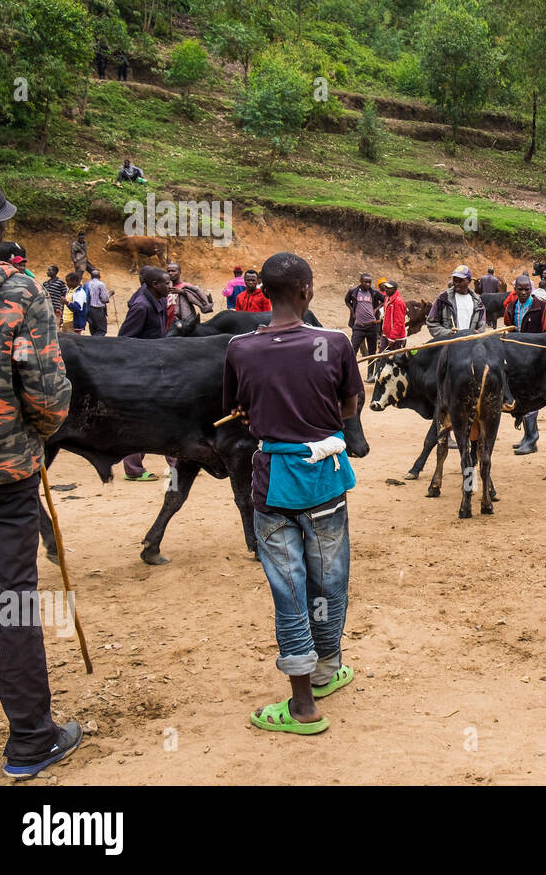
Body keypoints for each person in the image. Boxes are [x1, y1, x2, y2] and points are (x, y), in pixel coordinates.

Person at [223, 252, 363, 738]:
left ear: (264, 292)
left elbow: (238, 408)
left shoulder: (240, 348)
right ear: (306, 290)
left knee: (289, 590)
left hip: (274, 485)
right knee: (329, 582)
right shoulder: (336, 342)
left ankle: (306, 698)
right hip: (325, 480)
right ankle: (323, 676)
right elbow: (349, 406)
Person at [0, 175, 84, 779]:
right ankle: (30, 742)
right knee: (10, 605)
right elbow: (46, 395)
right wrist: (38, 431)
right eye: (0, 223)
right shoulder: (17, 293)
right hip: (1, 481)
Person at [119, 266, 171, 481]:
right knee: (142, 417)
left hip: (157, 364)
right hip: (143, 370)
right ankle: (133, 468)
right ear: (154, 285)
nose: (170, 286)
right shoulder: (141, 306)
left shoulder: (156, 298)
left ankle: (179, 462)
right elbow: (125, 339)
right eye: (166, 283)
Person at [505, 274, 546, 454]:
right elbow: (507, 329)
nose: (523, 292)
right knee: (520, 397)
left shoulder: (541, 307)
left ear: (531, 289)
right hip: (516, 359)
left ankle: (532, 438)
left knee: (530, 397)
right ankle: (527, 436)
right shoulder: (511, 308)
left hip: (536, 360)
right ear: (515, 289)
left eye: (526, 289)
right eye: (519, 289)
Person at [426, 265, 484, 337]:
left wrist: (477, 333)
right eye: (455, 280)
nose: (456, 283)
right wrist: (447, 333)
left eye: (460, 280)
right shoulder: (443, 299)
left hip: (471, 345)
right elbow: (432, 323)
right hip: (450, 345)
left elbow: (482, 325)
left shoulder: (478, 302)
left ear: (469, 281)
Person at [344, 273, 385, 359]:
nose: (368, 284)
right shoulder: (353, 292)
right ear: (361, 281)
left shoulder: (374, 293)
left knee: (372, 353)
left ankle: (370, 372)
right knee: (352, 350)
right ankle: (350, 371)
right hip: (359, 326)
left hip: (372, 326)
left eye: (370, 282)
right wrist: (352, 312)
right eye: (366, 282)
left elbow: (385, 300)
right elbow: (347, 300)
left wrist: (376, 309)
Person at [165, 262, 213, 331]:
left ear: (179, 272)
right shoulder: (166, 289)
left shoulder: (186, 286)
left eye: (173, 271)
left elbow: (197, 296)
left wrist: (183, 292)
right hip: (168, 323)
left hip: (183, 324)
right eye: (168, 271)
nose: (170, 273)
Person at [380, 281, 407, 352]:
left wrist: (392, 337)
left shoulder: (398, 302)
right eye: (385, 287)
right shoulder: (387, 298)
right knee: (381, 357)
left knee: (395, 359)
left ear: (394, 289)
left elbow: (399, 322)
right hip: (386, 335)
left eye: (389, 288)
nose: (386, 289)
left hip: (396, 338)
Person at [85, 267, 111, 335]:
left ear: (91, 276)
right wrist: (110, 294)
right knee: (101, 330)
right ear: (99, 277)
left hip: (90, 309)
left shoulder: (87, 284)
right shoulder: (101, 284)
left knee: (93, 330)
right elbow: (104, 299)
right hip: (98, 310)